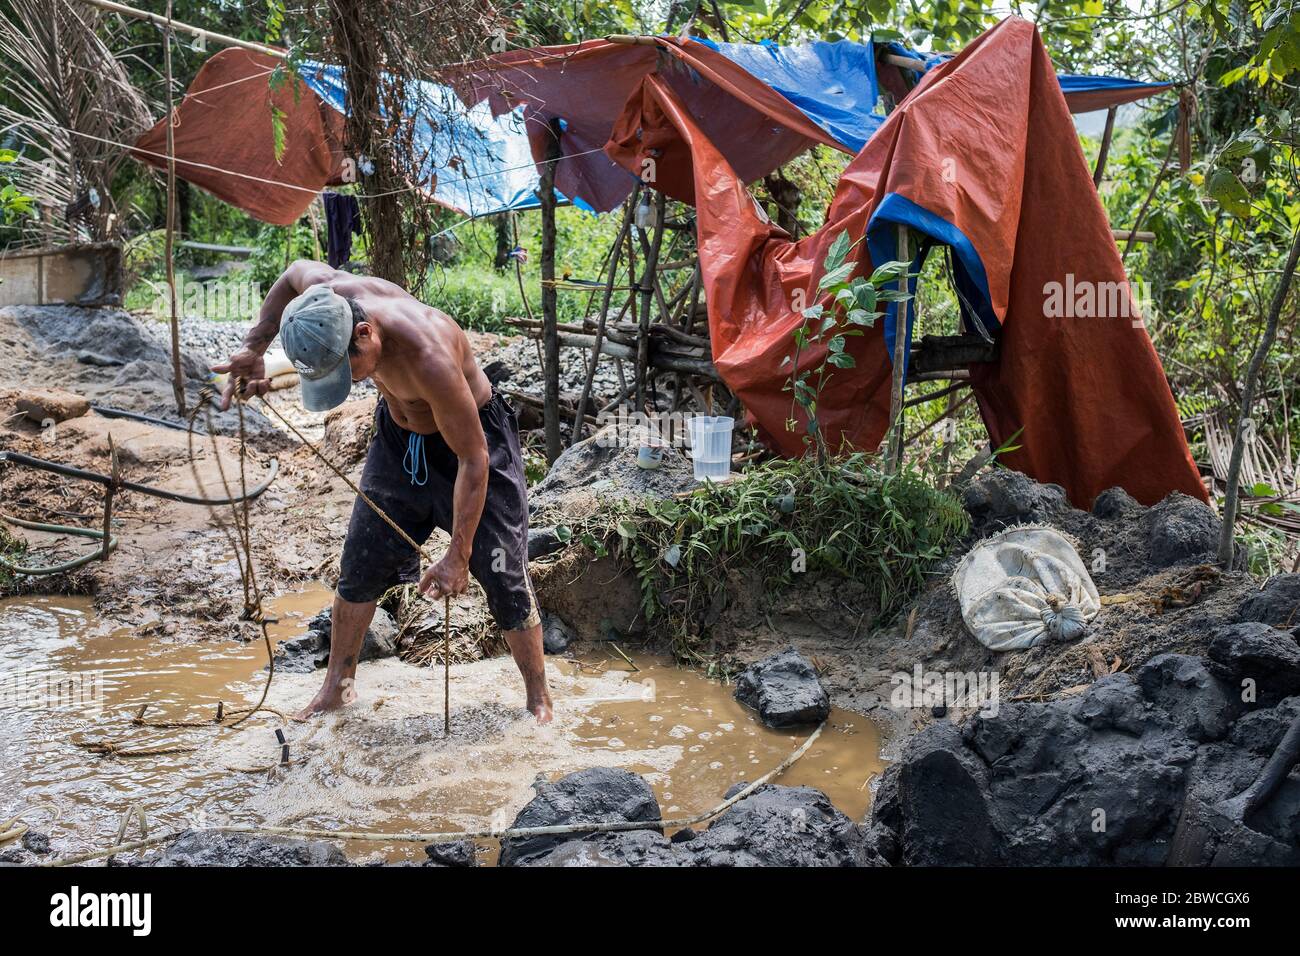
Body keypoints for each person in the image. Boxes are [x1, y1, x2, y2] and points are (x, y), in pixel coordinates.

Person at [214, 260, 552, 723]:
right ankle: (336, 689)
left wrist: (457, 556)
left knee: (503, 572)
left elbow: (474, 460)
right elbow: (291, 274)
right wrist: (255, 346)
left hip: (473, 448)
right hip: (399, 443)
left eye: (346, 368)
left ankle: (539, 699)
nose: (351, 381)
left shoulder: (428, 356)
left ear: (365, 333)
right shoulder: (324, 292)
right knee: (360, 563)